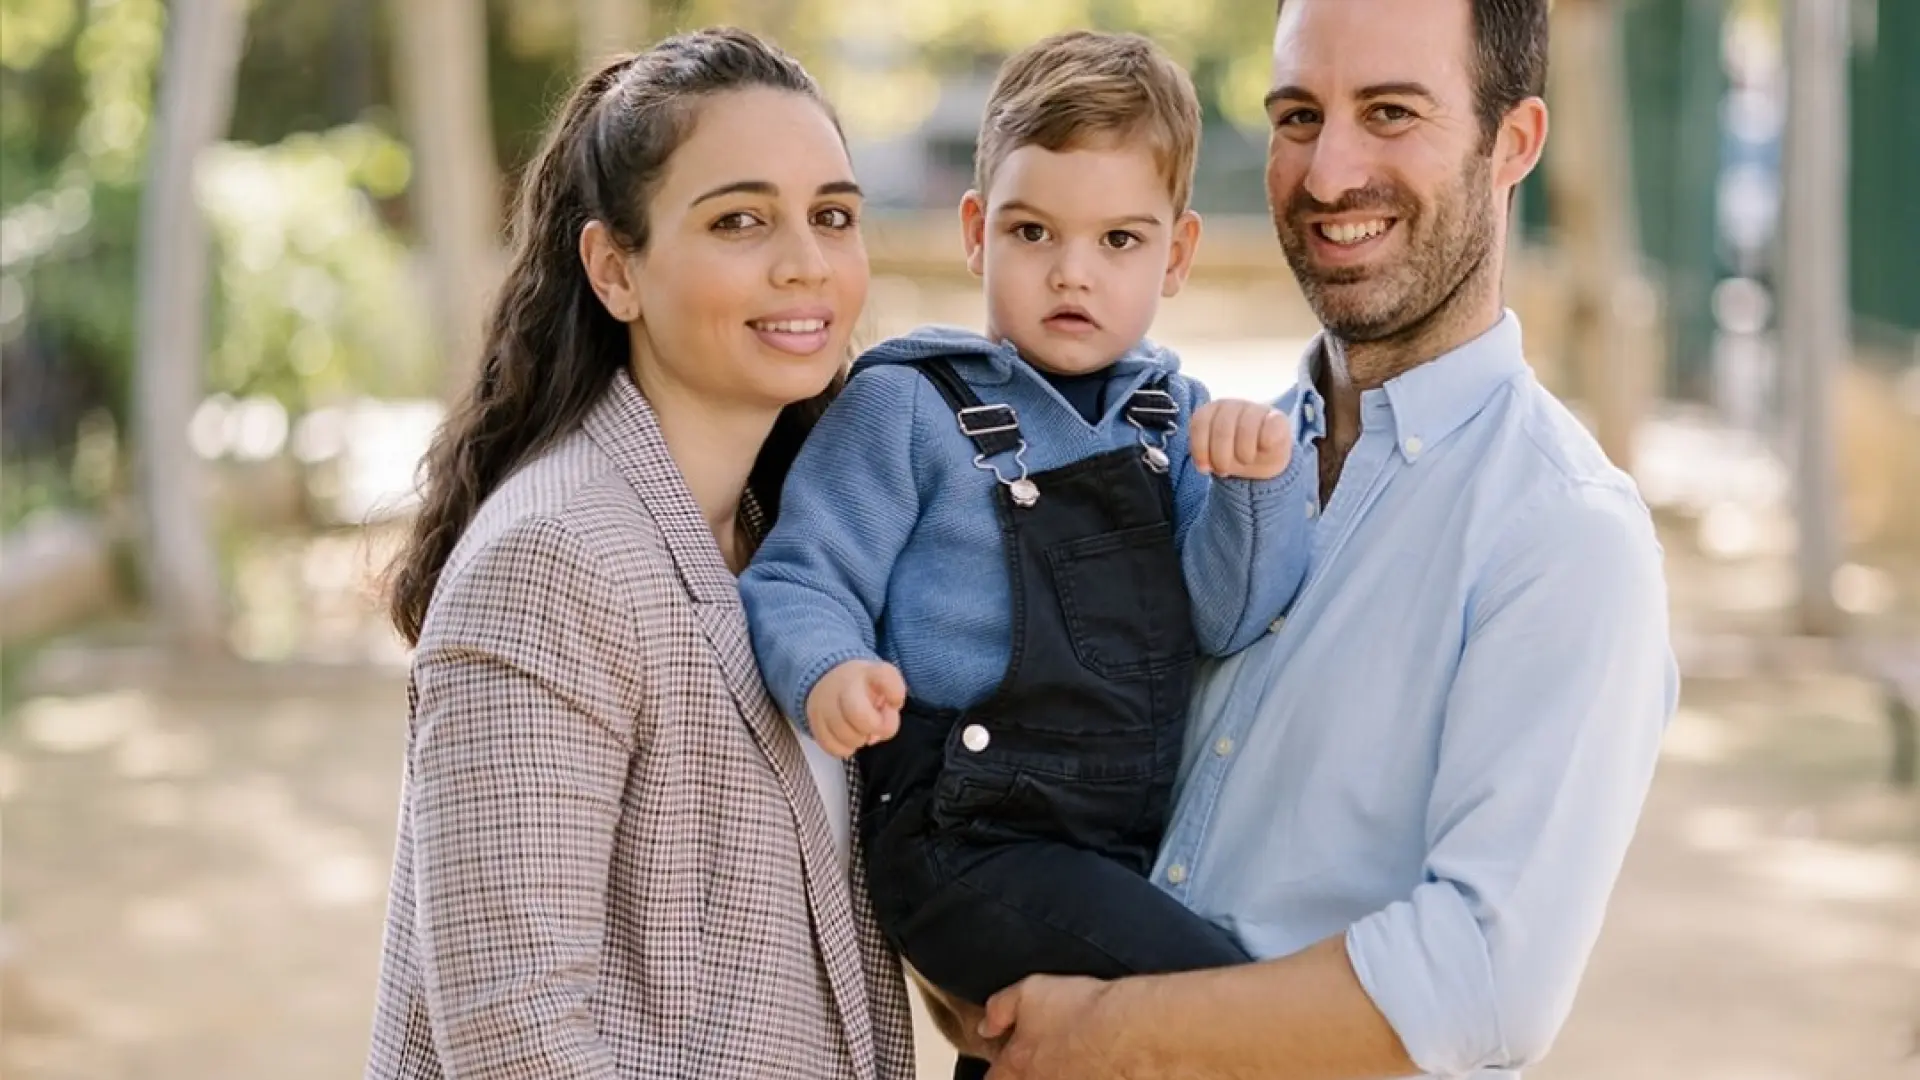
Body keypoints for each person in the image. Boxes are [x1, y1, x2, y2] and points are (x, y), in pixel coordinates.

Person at [973, 1, 1680, 1077]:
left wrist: (1108, 1036)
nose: (1327, 170)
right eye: (1298, 114)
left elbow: (1480, 982)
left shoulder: (1566, 535)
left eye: (1391, 112)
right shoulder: (1194, 458)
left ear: (1515, 142)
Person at [737, 29, 1314, 1079]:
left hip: (1108, 849)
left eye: (1119, 242)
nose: (1071, 273)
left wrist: (1252, 491)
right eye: (1033, 232)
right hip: (965, 840)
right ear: (976, 232)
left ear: (1177, 254)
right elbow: (797, 575)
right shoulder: (910, 406)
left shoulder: (1171, 421)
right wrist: (830, 669)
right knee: (1220, 1006)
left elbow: (1227, 616)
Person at [363, 28, 914, 1080]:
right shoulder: (554, 560)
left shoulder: (790, 544)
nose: (805, 262)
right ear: (615, 269)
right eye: (741, 220)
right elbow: (517, 1038)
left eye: (832, 216)